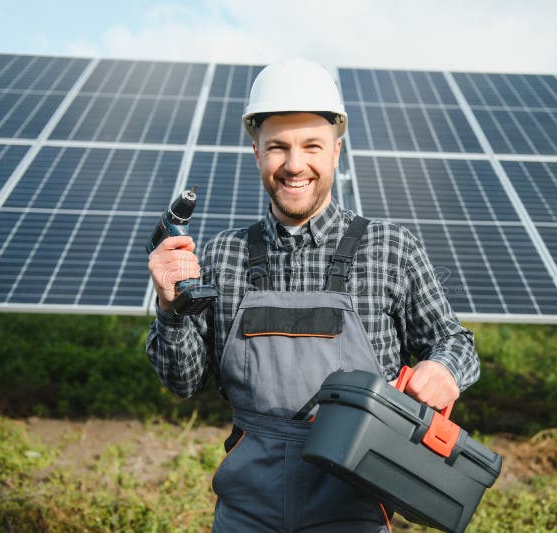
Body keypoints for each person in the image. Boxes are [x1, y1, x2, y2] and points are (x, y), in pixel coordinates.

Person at [146, 58, 480, 532]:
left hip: (356, 506)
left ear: (337, 150)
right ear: (256, 152)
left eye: (311, 146)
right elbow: (182, 382)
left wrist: (444, 368)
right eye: (277, 147)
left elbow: (455, 342)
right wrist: (169, 309)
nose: (294, 164)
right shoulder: (221, 254)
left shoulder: (390, 247)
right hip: (247, 512)